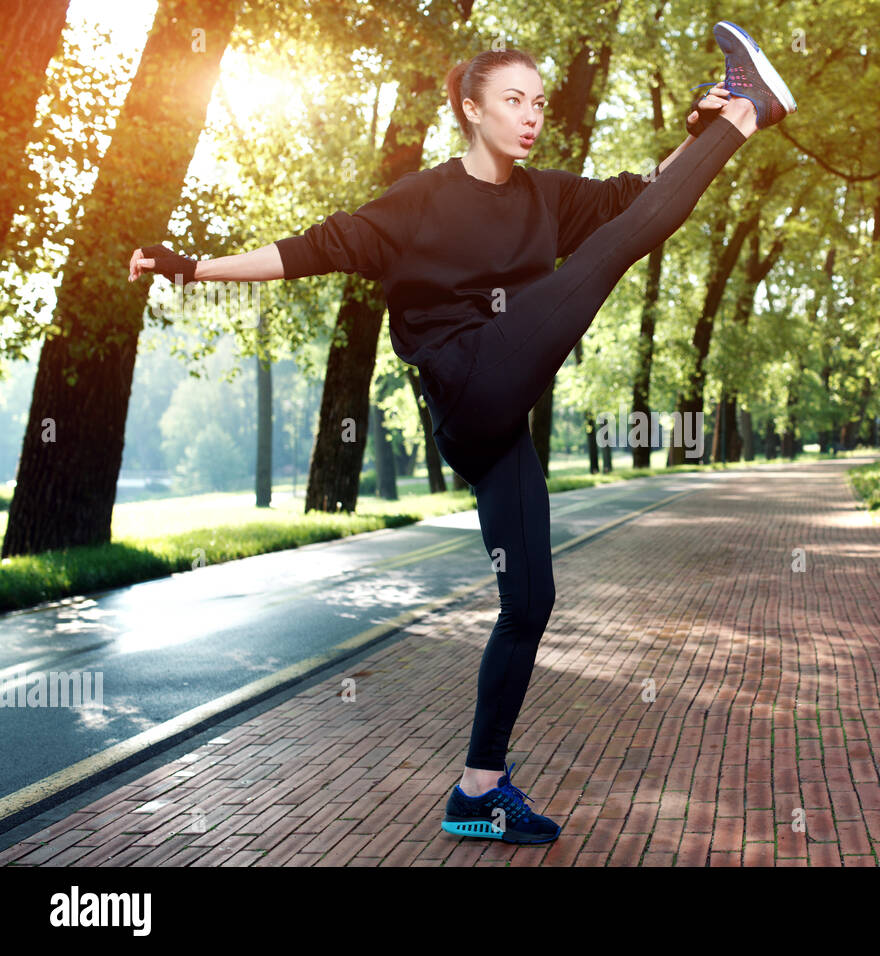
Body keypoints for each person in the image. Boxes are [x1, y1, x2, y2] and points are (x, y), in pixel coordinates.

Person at [129, 20, 797, 845]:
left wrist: (692, 137)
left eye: (539, 102)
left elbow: (639, 196)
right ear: (471, 109)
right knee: (606, 258)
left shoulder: (546, 195)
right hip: (465, 376)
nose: (531, 115)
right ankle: (749, 113)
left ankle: (477, 789)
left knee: (530, 603)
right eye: (512, 100)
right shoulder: (419, 200)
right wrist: (194, 267)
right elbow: (313, 247)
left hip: (491, 425)